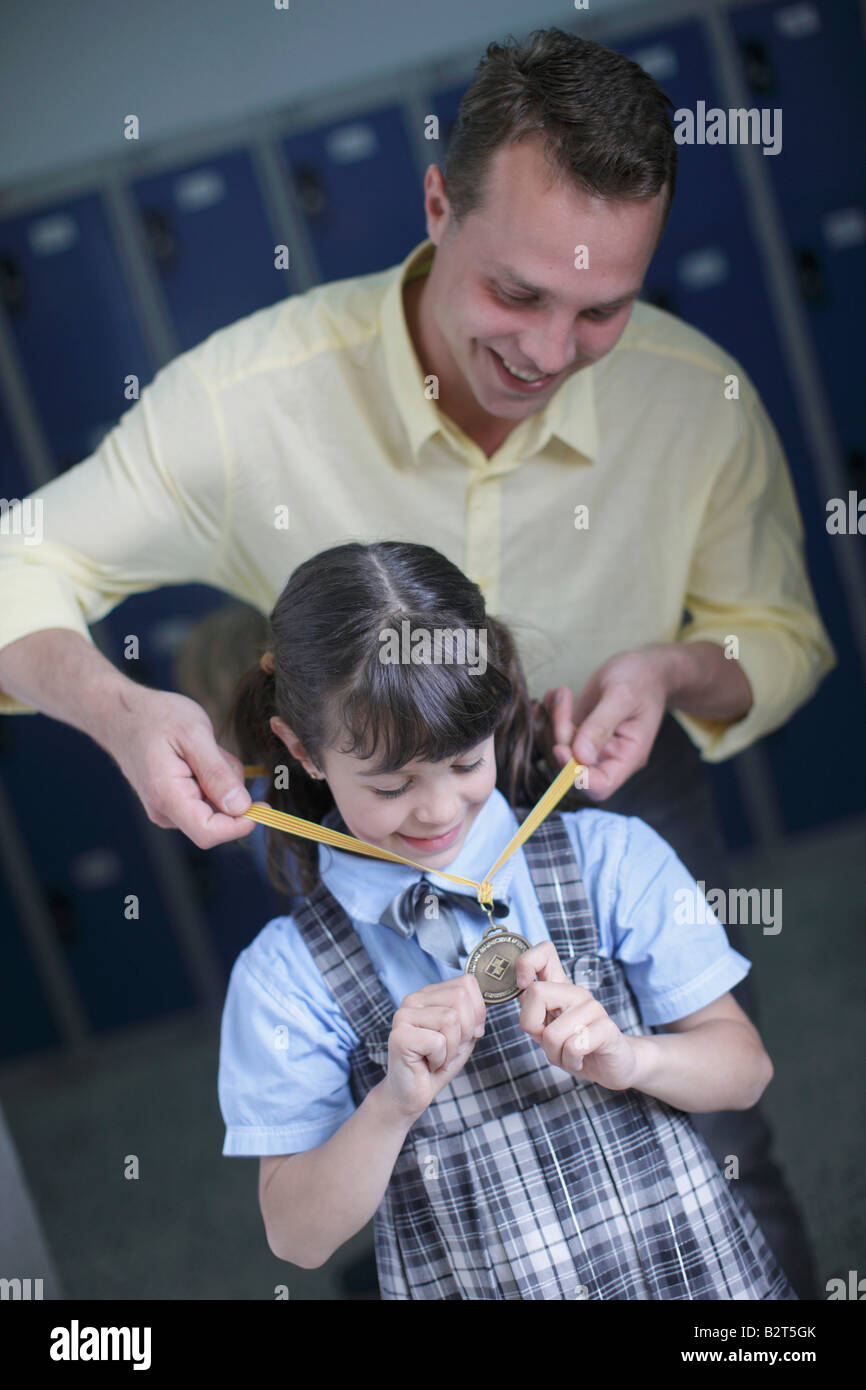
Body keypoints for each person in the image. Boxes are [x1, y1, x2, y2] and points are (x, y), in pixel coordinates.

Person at [0, 28, 830, 1295]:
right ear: (436, 205)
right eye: (516, 295)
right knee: (400, 1181)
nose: (548, 355)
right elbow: (21, 562)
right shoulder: (245, 400)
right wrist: (115, 709)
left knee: (717, 1146)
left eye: (601, 307)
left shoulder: (690, 400)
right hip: (356, 844)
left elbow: (774, 636)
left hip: (608, 789)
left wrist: (667, 674)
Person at [217, 539, 795, 1300]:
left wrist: (632, 1060)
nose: (436, 809)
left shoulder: (610, 858)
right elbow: (296, 1237)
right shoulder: (284, 978)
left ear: (498, 706)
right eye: (390, 786)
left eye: (464, 762)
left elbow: (745, 1070)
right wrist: (391, 1106)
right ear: (304, 750)